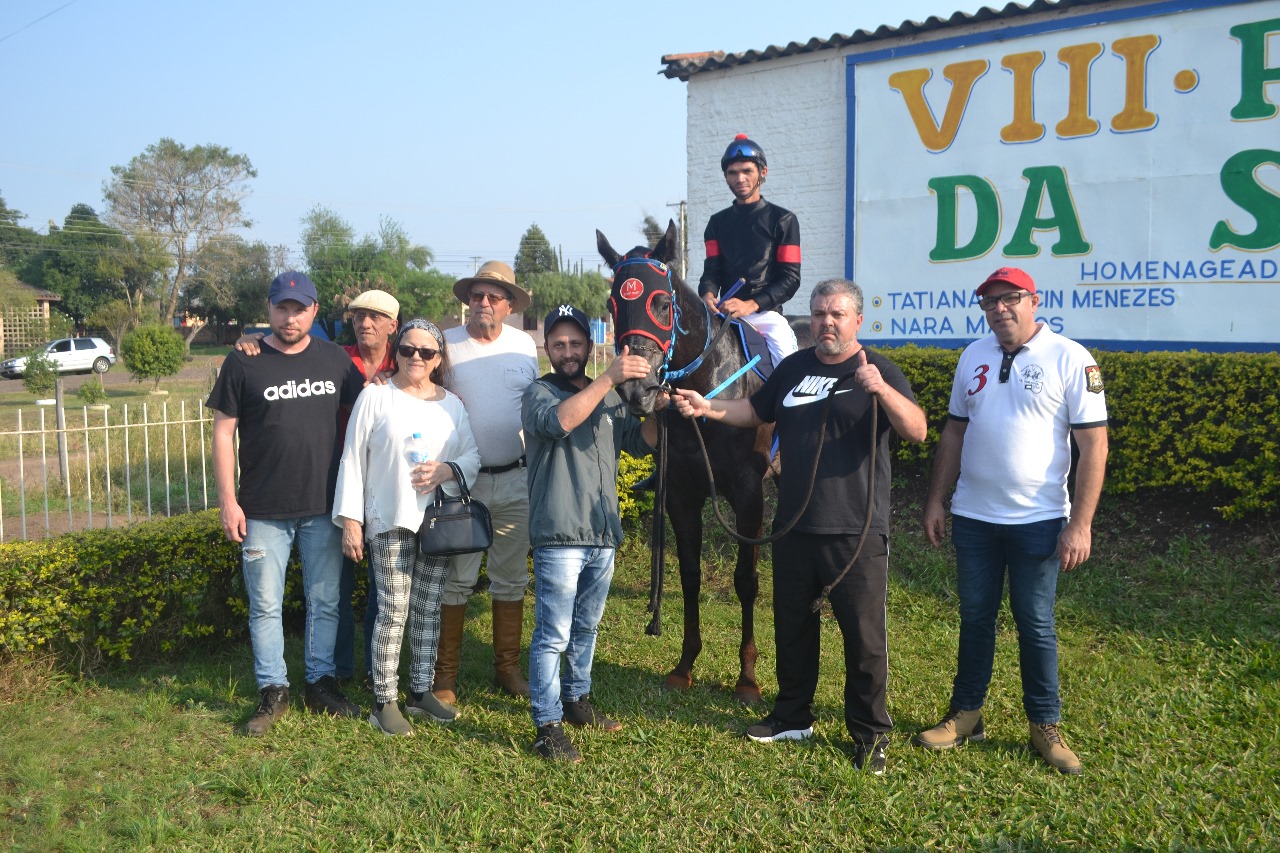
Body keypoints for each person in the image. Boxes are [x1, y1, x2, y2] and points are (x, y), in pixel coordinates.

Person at [673, 278, 926, 774]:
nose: (826, 322)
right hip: (793, 526)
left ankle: (870, 732)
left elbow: (916, 430)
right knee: (792, 628)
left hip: (855, 530)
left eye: (837, 314)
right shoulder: (793, 369)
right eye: (819, 313)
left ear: (857, 321)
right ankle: (792, 716)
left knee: (864, 638)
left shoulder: (878, 370)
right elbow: (753, 411)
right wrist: (708, 407)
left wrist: (883, 393)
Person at [916, 266, 1108, 776]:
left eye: (1010, 298)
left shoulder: (1071, 358)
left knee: (1035, 624)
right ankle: (966, 714)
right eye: (989, 302)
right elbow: (954, 433)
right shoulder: (973, 355)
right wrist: (937, 499)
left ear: (1034, 300)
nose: (999, 308)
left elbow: (1094, 446)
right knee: (975, 618)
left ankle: (1044, 725)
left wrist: (1081, 523)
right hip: (975, 516)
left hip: (1040, 521)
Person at [209, 271, 366, 736]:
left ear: (315, 311)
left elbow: (372, 410)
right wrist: (227, 501)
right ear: (270, 308)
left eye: (300, 308)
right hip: (261, 509)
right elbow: (222, 432)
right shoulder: (244, 362)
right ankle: (273, 691)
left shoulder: (335, 359)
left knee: (325, 601)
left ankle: (320, 684)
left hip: (323, 505)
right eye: (282, 307)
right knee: (265, 605)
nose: (290, 317)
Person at [238, 289, 400, 687]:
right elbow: (288, 350)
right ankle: (337, 672)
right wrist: (254, 340)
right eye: (359, 316)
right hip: (337, 483)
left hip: (386, 484)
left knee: (385, 587)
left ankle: (375, 669)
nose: (366, 323)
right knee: (335, 587)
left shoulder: (410, 358)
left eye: (376, 317)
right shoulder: (336, 358)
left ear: (393, 326)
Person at [522, 305, 661, 762]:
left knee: (587, 626)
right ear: (547, 348)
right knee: (552, 635)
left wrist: (668, 407)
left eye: (575, 343)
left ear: (588, 345)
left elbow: (639, 443)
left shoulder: (613, 398)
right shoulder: (539, 393)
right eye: (558, 344)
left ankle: (577, 699)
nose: (568, 352)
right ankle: (546, 725)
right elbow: (559, 422)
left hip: (603, 535)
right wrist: (609, 379)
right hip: (560, 535)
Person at [332, 320, 479, 736]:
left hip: (437, 521)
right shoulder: (376, 397)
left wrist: (446, 470)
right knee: (394, 609)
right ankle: (384, 700)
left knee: (428, 608)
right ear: (396, 351)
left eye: (427, 352)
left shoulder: (451, 404)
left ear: (438, 359)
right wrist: (351, 522)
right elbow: (352, 460)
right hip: (390, 516)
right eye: (408, 349)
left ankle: (420, 691)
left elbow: (471, 455)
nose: (416, 357)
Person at [435, 261, 539, 704]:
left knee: (510, 578)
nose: (483, 303)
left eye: (494, 297)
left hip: (514, 479)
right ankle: (445, 676)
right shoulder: (447, 345)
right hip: (462, 483)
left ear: (509, 305)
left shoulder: (524, 347)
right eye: (477, 296)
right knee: (457, 579)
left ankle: (508, 668)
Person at [698, 133, 802, 367]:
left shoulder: (784, 220)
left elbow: (791, 279)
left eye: (747, 171)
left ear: (762, 173)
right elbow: (712, 271)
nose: (740, 178)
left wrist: (750, 305)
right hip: (724, 313)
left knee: (788, 375)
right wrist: (707, 294)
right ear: (726, 177)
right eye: (733, 173)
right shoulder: (716, 223)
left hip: (766, 315)